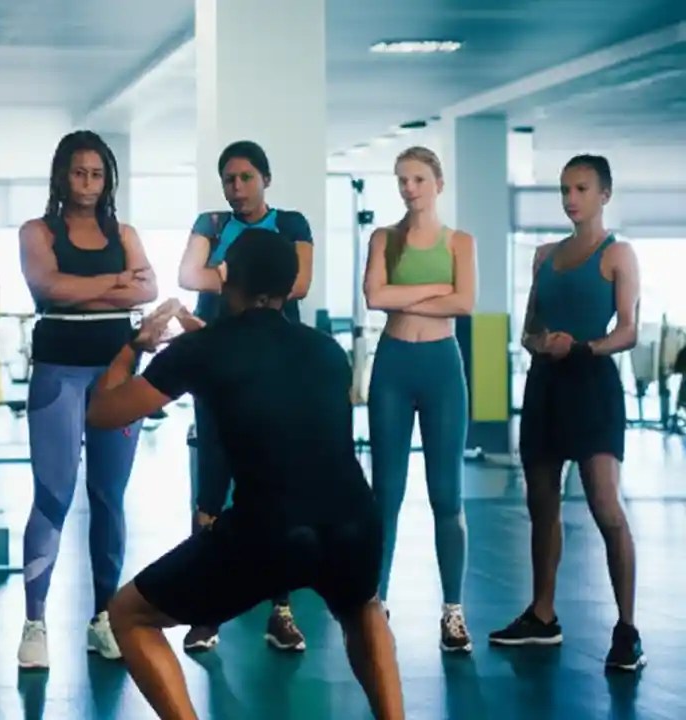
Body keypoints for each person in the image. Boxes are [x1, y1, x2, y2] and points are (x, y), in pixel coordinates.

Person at [90, 230, 403, 720]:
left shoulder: (205, 350)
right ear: (288, 286)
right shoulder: (326, 350)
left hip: (271, 531)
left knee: (129, 614)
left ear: (227, 278)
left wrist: (135, 346)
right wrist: (207, 345)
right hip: (355, 522)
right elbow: (264, 372)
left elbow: (104, 412)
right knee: (363, 608)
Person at [488, 155, 645, 672]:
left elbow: (628, 330)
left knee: (605, 505)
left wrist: (580, 348)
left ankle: (627, 629)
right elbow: (528, 328)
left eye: (580, 188)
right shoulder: (544, 255)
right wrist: (540, 343)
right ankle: (542, 614)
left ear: (604, 194)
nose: (570, 198)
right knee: (542, 505)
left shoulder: (617, 253)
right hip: (545, 387)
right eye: (564, 189)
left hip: (592, 385)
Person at [16, 130, 157, 669]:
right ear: (62, 175)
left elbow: (147, 290)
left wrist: (85, 288)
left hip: (117, 373)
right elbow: (47, 288)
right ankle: (35, 623)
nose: (88, 184)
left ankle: (103, 618)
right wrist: (116, 281)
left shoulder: (124, 233)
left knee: (108, 497)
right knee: (52, 496)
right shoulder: (37, 232)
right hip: (59, 373)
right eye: (79, 173)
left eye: (97, 175)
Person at [174, 140, 313, 653]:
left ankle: (281, 611)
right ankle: (206, 611)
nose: (237, 188)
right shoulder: (211, 223)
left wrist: (223, 273)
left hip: (275, 368)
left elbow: (299, 284)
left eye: (246, 177)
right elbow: (187, 276)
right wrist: (255, 277)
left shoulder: (290, 223)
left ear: (265, 179)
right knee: (211, 488)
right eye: (229, 179)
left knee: (275, 489)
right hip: (218, 366)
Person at [361, 146, 475, 653]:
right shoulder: (382, 239)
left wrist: (403, 294)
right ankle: (376, 603)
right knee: (386, 493)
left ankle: (453, 611)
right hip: (393, 366)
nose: (409, 188)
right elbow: (374, 297)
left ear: (438, 184)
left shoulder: (461, 243)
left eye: (419, 179)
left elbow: (464, 302)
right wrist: (435, 288)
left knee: (446, 495)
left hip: (441, 368)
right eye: (402, 180)